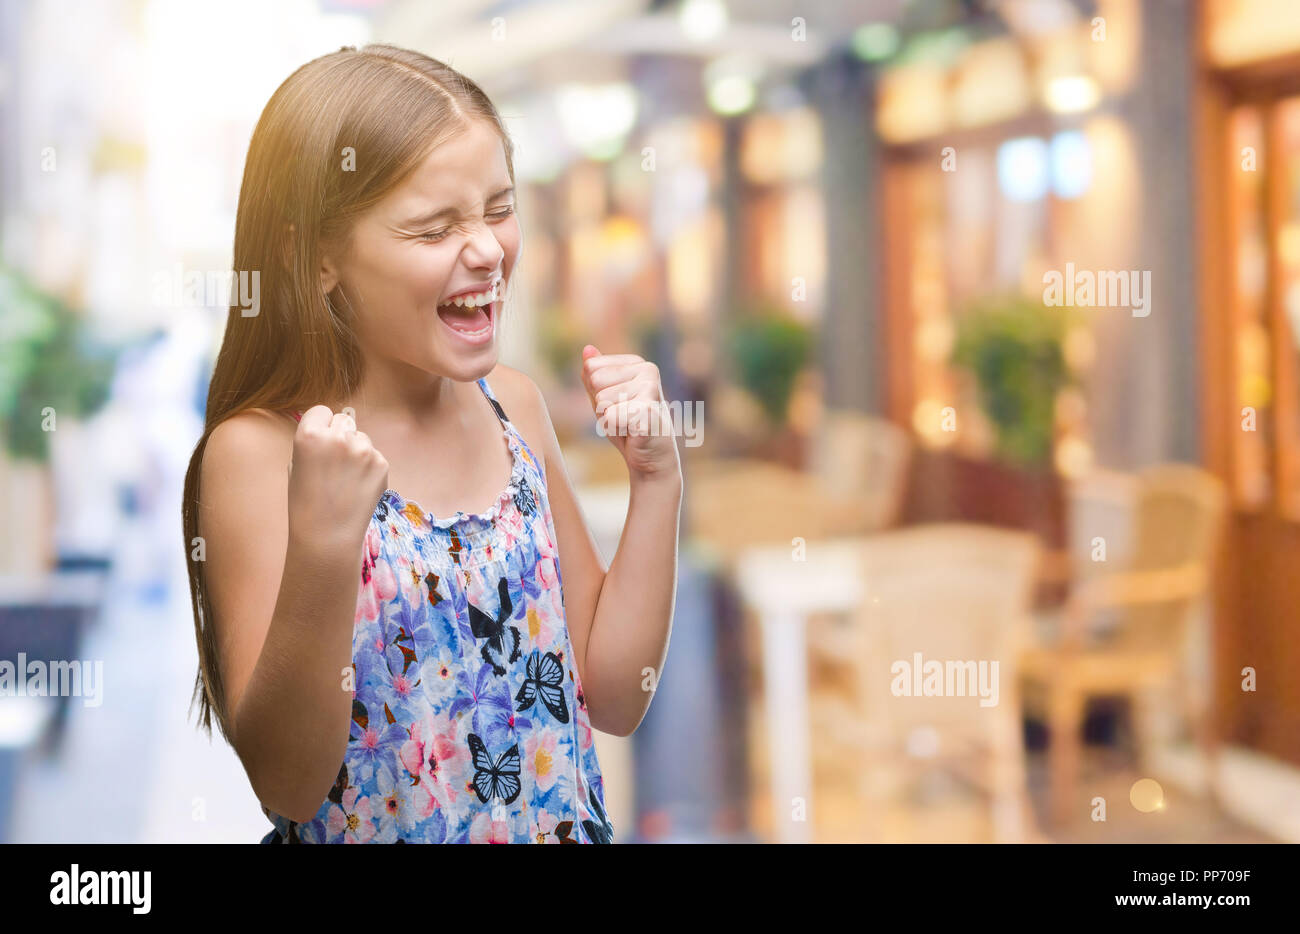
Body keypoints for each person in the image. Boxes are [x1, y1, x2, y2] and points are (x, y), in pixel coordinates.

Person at [180, 44, 682, 843]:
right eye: (433, 227)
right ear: (317, 260)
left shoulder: (512, 408)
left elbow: (616, 695)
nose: (485, 249)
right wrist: (323, 546)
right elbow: (288, 781)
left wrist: (657, 483)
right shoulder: (257, 454)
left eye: (497, 207)